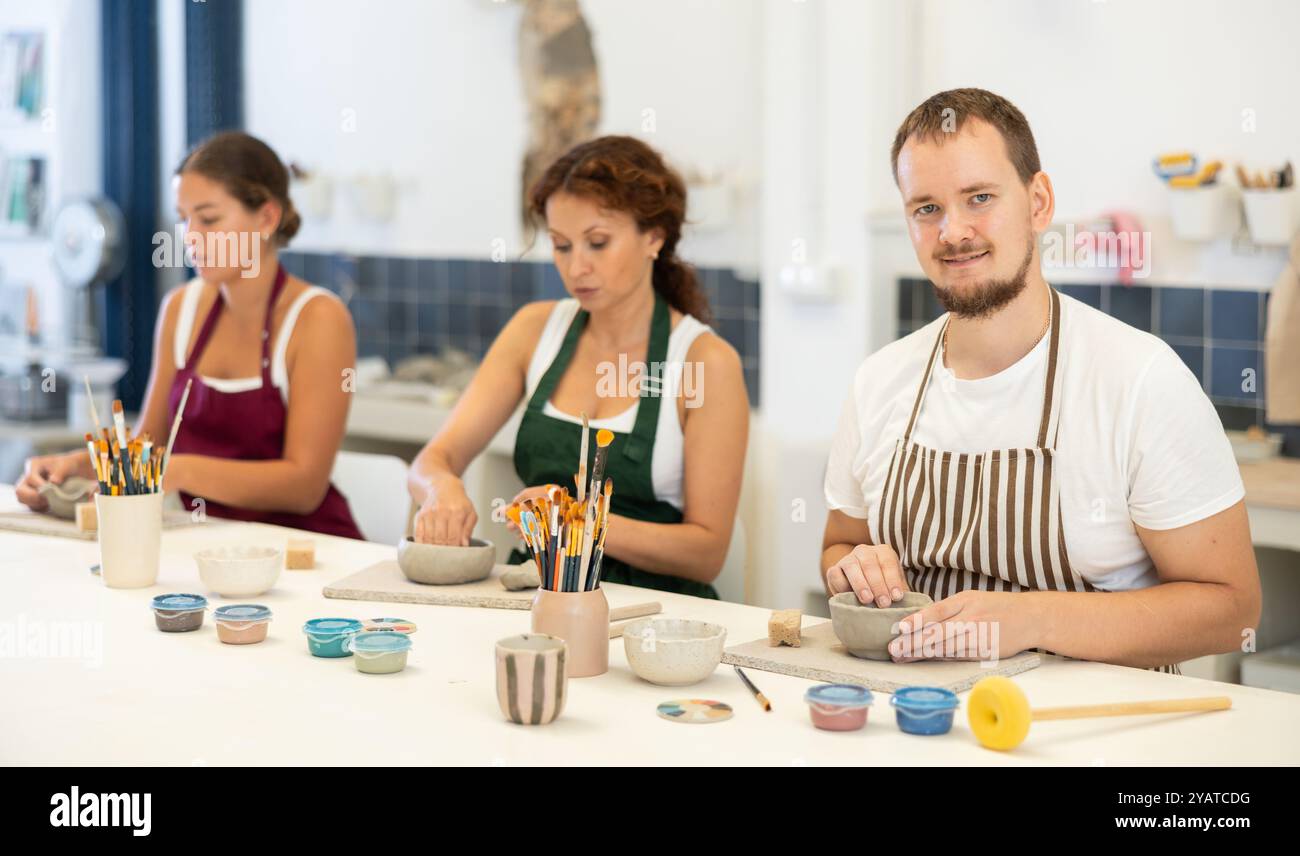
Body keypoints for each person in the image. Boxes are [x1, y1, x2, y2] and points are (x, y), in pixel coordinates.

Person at [821, 89, 1260, 671]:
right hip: (922, 719)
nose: (953, 231)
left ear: (1038, 202)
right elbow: (840, 543)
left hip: (1099, 741)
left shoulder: (1139, 380)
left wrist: (1029, 618)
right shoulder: (880, 380)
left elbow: (1233, 611)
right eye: (926, 208)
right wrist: (853, 567)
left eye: (979, 197)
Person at [408, 136, 748, 598]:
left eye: (598, 243)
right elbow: (432, 461)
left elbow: (706, 552)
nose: (576, 268)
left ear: (654, 236)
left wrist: (576, 518)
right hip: (536, 592)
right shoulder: (534, 330)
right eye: (562, 246)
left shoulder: (705, 362)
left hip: (654, 614)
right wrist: (440, 489)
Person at [17, 131, 363, 539]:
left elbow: (304, 488)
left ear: (267, 218)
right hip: (206, 544)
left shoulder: (318, 318)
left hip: (309, 552)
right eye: (183, 219)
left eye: (209, 218)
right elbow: (149, 443)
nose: (190, 237)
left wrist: (173, 469)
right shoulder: (181, 309)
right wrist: (76, 465)